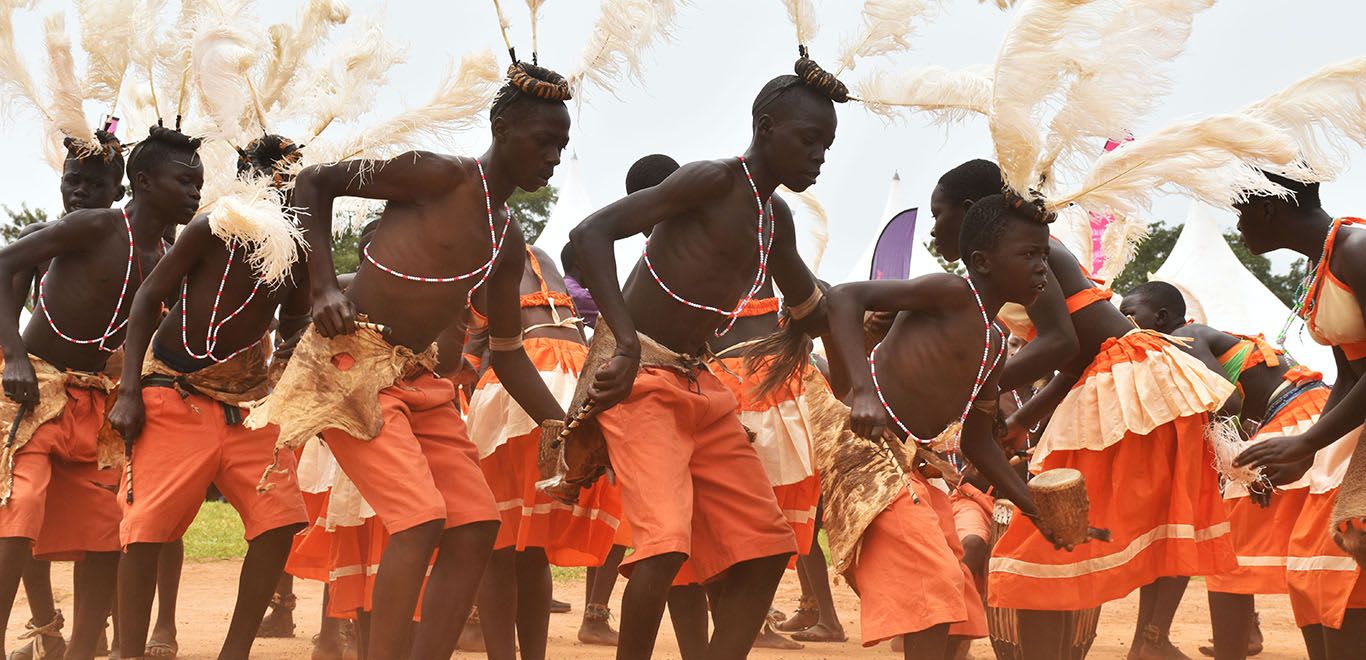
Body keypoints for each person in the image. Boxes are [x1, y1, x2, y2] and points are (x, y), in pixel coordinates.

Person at [245, 60, 573, 660]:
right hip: (347, 370)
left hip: (422, 383)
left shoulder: (505, 241)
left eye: (562, 146)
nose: (553, 156)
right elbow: (313, 182)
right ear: (500, 127)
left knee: (475, 525)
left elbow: (508, 352)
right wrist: (323, 286)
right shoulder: (439, 175)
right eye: (543, 141)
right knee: (420, 520)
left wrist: (563, 422)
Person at [566, 57, 844, 659]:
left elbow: (812, 306)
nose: (819, 156)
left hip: (700, 391)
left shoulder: (775, 220)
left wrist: (880, 314)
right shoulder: (713, 179)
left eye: (827, 145)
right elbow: (588, 235)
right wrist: (627, 338)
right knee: (664, 546)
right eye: (808, 139)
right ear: (766, 127)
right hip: (637, 379)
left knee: (771, 547)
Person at [926, 161, 1237, 658]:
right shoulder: (1006, 259)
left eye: (938, 214)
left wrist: (973, 389)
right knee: (1058, 538)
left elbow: (1059, 342)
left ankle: (1147, 642)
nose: (933, 227)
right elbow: (1074, 356)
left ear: (968, 213)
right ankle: (1146, 642)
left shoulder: (1026, 251)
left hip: (1131, 384)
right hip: (1118, 380)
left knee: (1046, 541)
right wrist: (1022, 417)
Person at [781, 194, 1059, 659]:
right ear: (982, 262)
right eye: (1029, 255)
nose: (1041, 269)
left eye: (1045, 257)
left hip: (908, 466)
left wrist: (1035, 509)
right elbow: (846, 297)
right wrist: (864, 391)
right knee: (936, 586)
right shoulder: (950, 292)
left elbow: (978, 442)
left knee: (959, 606)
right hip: (862, 451)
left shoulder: (993, 344)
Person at [105, 133, 312, 660]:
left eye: (290, 178)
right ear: (248, 179)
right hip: (174, 387)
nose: (280, 187)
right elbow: (149, 296)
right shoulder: (212, 228)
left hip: (248, 402)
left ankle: (234, 652)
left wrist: (291, 355)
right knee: (148, 528)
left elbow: (293, 318)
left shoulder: (299, 246)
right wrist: (130, 390)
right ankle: (130, 652)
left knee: (280, 521)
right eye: (270, 176)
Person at [0, 125, 199, 660]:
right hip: (34, 386)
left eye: (198, 183)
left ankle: (84, 648)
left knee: (107, 529)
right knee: (17, 510)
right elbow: (5, 265)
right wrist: (14, 356)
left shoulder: (166, 253)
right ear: (143, 182)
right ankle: (37, 628)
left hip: (100, 399)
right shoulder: (92, 227)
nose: (196, 193)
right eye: (185, 181)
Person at [464, 244, 621, 660]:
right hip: (575, 378)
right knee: (530, 547)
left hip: (527, 378)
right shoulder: (538, 254)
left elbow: (466, 352)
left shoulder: (470, 251)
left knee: (498, 543)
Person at [1232, 175, 1366, 659]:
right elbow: (1350, 374)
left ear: (1269, 210)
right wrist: (1308, 454)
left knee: (1342, 569)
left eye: (1242, 212)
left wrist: (1307, 444)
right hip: (1353, 432)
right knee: (1313, 571)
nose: (1238, 225)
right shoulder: (1321, 261)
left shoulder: (1358, 248)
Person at [708, 277, 844, 648]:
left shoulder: (768, 243)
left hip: (763, 386)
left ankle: (754, 624)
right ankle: (753, 626)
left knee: (760, 521)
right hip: (734, 384)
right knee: (745, 521)